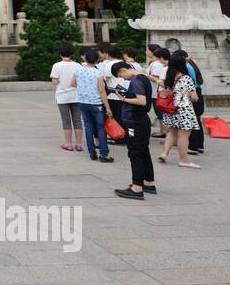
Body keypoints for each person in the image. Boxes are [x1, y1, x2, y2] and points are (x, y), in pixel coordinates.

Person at [112, 61, 156, 199]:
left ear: (123, 70)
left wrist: (124, 99)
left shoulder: (136, 80)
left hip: (135, 121)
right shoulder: (143, 77)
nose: (123, 78)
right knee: (144, 151)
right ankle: (148, 182)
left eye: (120, 75)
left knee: (135, 153)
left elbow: (141, 101)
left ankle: (137, 187)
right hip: (142, 121)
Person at [69, 48, 115, 163]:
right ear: (96, 60)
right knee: (100, 128)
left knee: (88, 127)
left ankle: (92, 152)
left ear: (85, 58)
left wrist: (82, 88)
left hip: (83, 102)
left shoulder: (79, 71)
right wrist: (108, 108)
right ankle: (104, 154)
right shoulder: (98, 73)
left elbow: (72, 83)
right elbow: (102, 91)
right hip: (96, 103)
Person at [160, 50, 201, 168]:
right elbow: (194, 98)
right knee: (183, 135)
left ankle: (164, 153)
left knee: (172, 132)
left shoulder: (169, 78)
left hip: (171, 109)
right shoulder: (186, 78)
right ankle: (184, 160)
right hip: (184, 110)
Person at [50, 44, 84, 152]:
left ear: (60, 54)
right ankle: (78, 144)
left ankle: (68, 143)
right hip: (76, 96)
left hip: (62, 97)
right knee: (78, 120)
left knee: (66, 120)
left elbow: (55, 81)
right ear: (72, 54)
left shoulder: (57, 65)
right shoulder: (78, 65)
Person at [185, 52, 207, 155]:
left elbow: (189, 85)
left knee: (192, 121)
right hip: (198, 93)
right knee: (197, 121)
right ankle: (199, 146)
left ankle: (193, 147)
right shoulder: (191, 65)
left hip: (193, 94)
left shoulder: (186, 67)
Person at [147, 45, 170, 138]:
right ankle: (163, 130)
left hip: (157, 92)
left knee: (160, 112)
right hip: (156, 91)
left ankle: (164, 131)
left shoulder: (156, 64)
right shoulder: (156, 63)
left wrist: (148, 76)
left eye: (148, 50)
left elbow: (157, 78)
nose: (146, 52)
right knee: (159, 112)